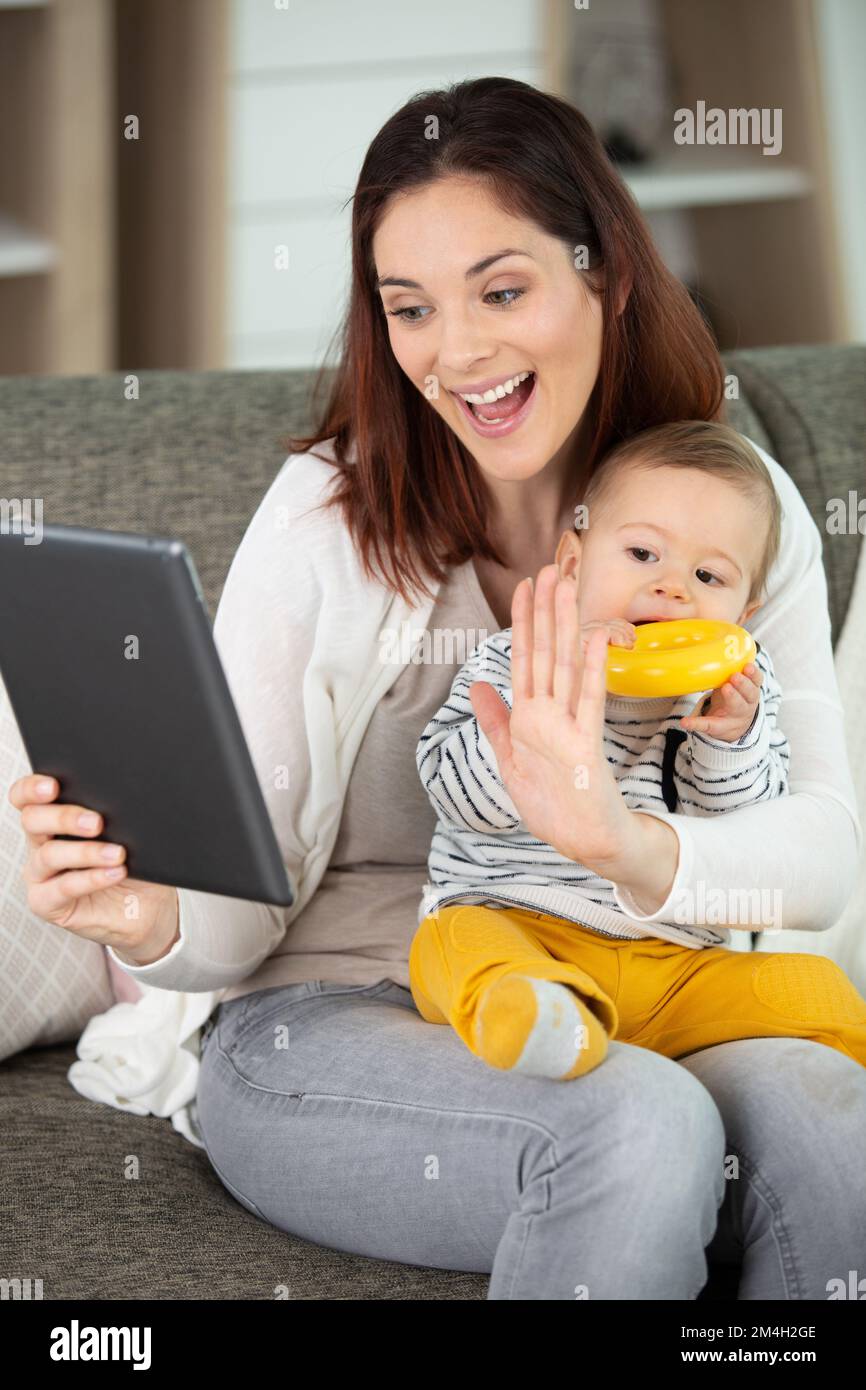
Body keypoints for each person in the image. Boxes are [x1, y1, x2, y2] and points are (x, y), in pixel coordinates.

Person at [9, 78, 865, 1300]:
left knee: (833, 1119)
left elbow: (824, 846)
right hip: (333, 1014)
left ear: (606, 275)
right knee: (632, 1124)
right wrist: (145, 919)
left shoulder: (732, 513)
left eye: (502, 290)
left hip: (632, 986)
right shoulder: (326, 517)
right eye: (408, 308)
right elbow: (235, 914)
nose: (455, 353)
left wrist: (623, 842)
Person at [410, 419, 866, 1081]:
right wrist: (545, 718)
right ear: (573, 565)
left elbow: (741, 835)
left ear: (743, 615)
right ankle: (538, 1018)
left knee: (814, 982)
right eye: (643, 555)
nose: (673, 588)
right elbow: (454, 796)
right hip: (522, 924)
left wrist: (729, 742)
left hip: (674, 964)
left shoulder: (735, 696)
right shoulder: (520, 658)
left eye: (709, 575)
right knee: (451, 944)